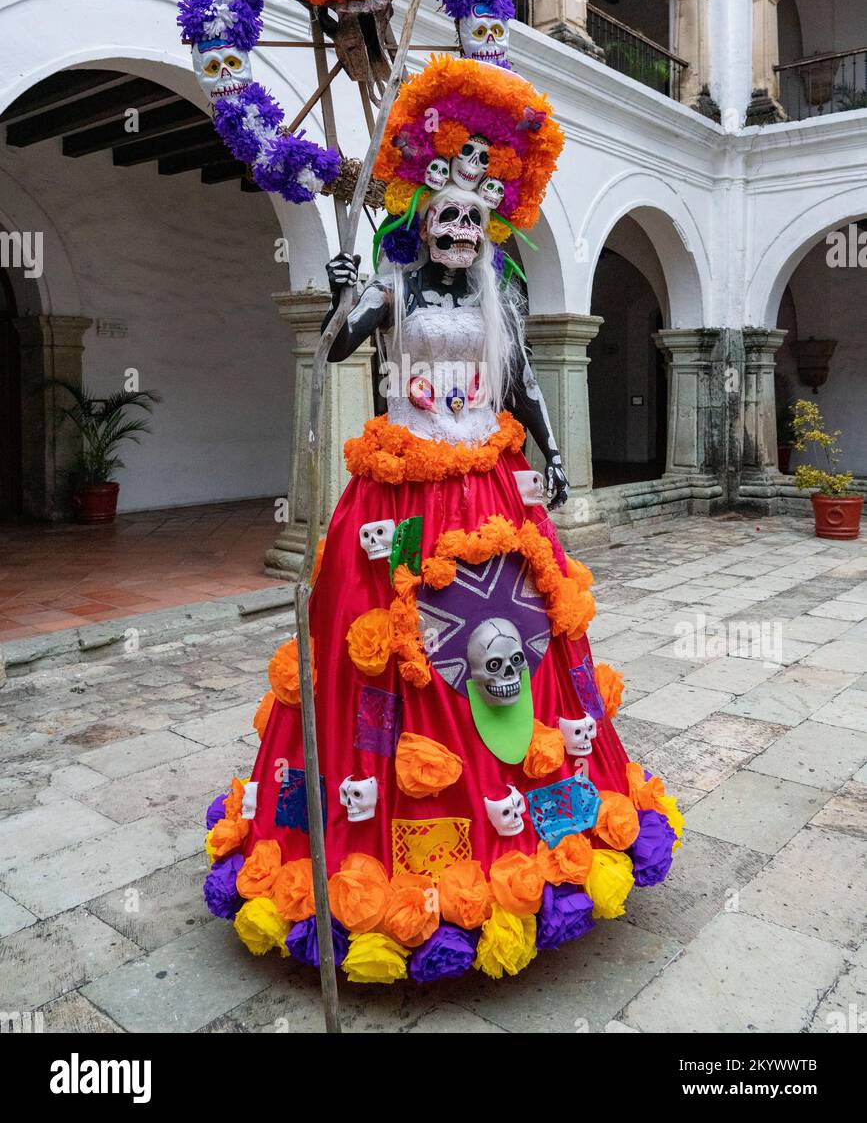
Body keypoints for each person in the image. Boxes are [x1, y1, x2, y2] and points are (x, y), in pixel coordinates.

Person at [202, 57, 683, 986]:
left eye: (476, 218)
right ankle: (370, 842)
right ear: (420, 222)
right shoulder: (393, 290)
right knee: (388, 649)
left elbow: (526, 382)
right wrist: (344, 287)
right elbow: (339, 346)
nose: (462, 230)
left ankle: (533, 830)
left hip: (490, 488)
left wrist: (547, 453)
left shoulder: (501, 293)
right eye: (447, 217)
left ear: (488, 225)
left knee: (514, 638)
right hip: (400, 491)